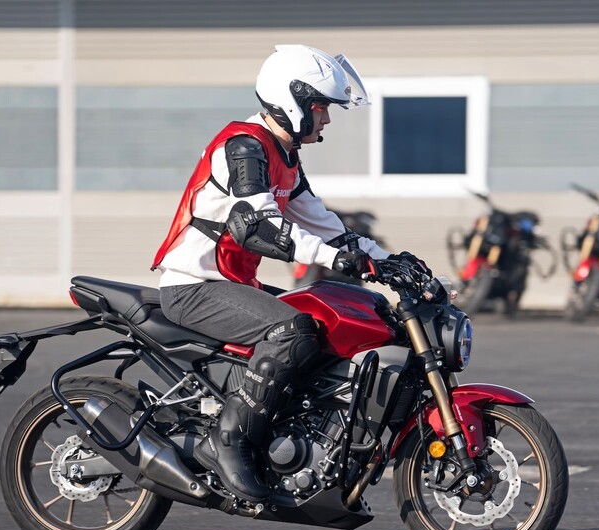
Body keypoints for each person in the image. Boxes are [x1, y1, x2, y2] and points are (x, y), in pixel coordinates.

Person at [151, 45, 426, 503]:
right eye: (321, 107)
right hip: (193, 286)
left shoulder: (284, 157)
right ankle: (229, 441)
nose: (327, 118)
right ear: (293, 99)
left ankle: (295, 436)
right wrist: (339, 260)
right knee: (291, 330)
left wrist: (390, 262)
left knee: (329, 319)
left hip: (232, 285)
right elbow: (261, 226)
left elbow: (327, 226)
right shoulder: (244, 148)